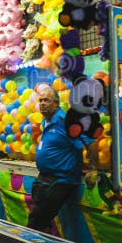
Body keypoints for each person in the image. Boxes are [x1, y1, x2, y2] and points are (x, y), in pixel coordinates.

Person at [26, 86, 99, 233]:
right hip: (45, 178)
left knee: (35, 221)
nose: (42, 103)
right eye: (40, 100)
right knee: (41, 220)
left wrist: (93, 169)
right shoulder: (44, 121)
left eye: (47, 100)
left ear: (56, 104)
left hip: (61, 179)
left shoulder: (66, 121)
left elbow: (90, 141)